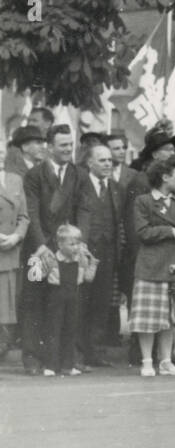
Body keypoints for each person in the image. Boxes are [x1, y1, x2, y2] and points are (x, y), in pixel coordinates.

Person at [21, 128, 82, 375]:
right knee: (34, 302)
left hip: (66, 250)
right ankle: (33, 357)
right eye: (63, 145)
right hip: (38, 249)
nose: (68, 149)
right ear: (49, 147)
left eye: (70, 144)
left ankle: (63, 360)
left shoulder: (78, 174)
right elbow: (32, 211)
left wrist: (80, 241)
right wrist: (40, 244)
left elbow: (83, 209)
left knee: (63, 304)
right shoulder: (35, 175)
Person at [130, 156, 175, 377]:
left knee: (170, 317)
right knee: (148, 318)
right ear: (165, 178)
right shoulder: (144, 201)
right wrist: (169, 232)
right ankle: (147, 361)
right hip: (152, 266)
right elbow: (142, 232)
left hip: (174, 265)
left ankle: (165, 361)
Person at [75, 141, 123, 368]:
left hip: (107, 253)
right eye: (102, 160)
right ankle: (77, 353)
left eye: (109, 160)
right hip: (83, 251)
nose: (107, 164)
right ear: (89, 162)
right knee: (81, 301)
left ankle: (96, 352)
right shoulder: (79, 185)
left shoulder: (115, 187)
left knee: (102, 303)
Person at [27, 224, 97, 377]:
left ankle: (68, 365)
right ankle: (51, 365)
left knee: (71, 331)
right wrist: (37, 256)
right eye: (72, 244)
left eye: (78, 243)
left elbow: (88, 278)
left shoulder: (81, 261)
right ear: (60, 244)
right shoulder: (52, 259)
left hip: (73, 300)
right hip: (55, 300)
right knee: (53, 331)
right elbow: (36, 277)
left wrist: (92, 262)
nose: (76, 247)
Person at [0, 155, 28, 362]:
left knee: (5, 308)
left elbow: (24, 216)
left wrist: (17, 235)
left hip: (9, 251)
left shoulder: (14, 179)